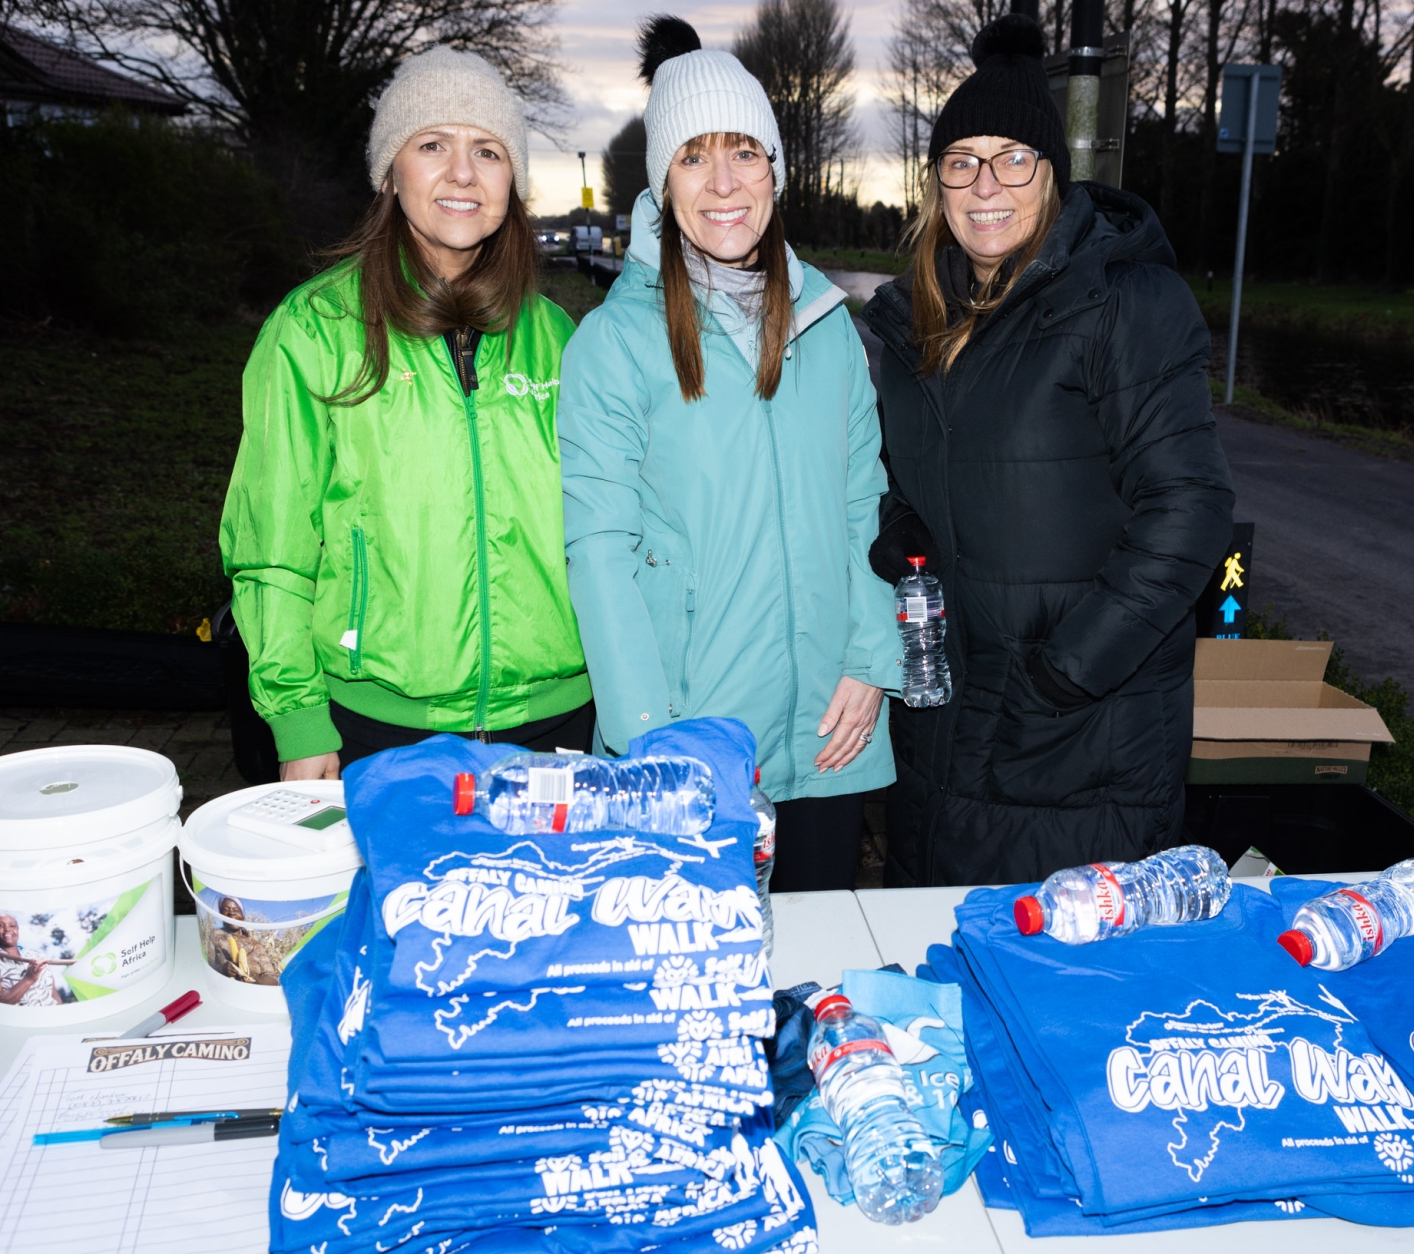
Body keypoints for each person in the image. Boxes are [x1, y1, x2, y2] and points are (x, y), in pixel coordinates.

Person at [861, 15, 1236, 886]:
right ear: (937, 184)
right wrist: (901, 525)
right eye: (962, 161)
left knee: (1052, 953)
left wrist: (1066, 673)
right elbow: (912, 475)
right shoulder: (920, 322)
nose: (986, 184)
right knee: (938, 949)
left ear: (1053, 173)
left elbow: (1191, 508)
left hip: (1077, 743)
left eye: (1013, 159)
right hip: (943, 720)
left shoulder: (1123, 303)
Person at [560, 17, 899, 892]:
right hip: (689, 750)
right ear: (663, 183)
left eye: (744, 152)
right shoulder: (616, 343)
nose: (723, 183)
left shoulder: (827, 327)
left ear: (774, 170)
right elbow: (598, 551)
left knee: (822, 964)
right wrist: (650, 742)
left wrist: (871, 661)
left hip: (828, 732)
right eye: (693, 156)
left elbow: (865, 502)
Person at [220, 47, 590, 778]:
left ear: (512, 182)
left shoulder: (558, 338)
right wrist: (297, 718)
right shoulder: (314, 330)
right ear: (390, 172)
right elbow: (272, 545)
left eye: (488, 151)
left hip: (557, 719)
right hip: (376, 729)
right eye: (432, 145)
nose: (462, 173)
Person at [0, 913, 64, 1006]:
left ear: (17, 929)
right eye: (0, 925)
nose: (7, 929)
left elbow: (54, 995)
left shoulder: (36, 955)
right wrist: (28, 979)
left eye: (12, 925)